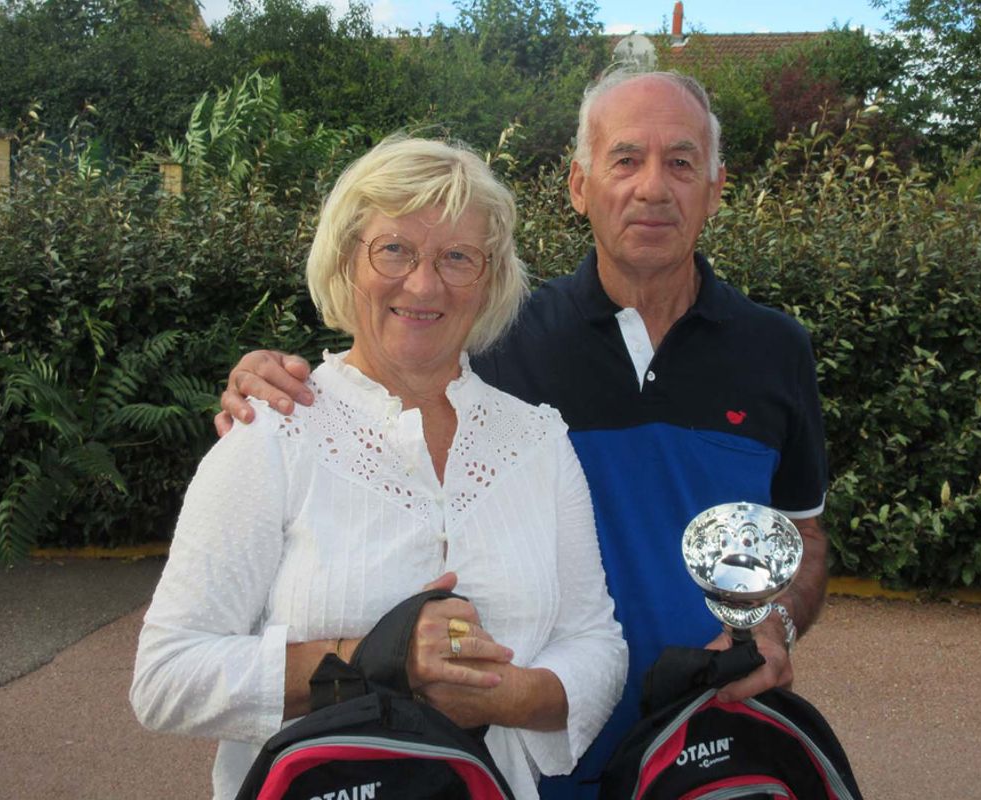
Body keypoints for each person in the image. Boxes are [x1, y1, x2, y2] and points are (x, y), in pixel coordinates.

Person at [217, 67, 830, 800]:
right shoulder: (499, 341)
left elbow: (804, 538)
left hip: (707, 745)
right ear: (579, 186)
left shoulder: (777, 349)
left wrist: (777, 627)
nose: (653, 187)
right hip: (533, 761)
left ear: (716, 188)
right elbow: (380, 363)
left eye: (681, 162)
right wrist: (272, 379)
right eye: (626, 159)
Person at [130, 135, 627, 800]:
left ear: (491, 279)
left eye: (457, 257)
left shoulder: (537, 441)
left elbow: (595, 643)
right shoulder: (273, 431)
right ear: (346, 262)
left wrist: (499, 695)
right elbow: (166, 678)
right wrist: (372, 663)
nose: (423, 283)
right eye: (394, 249)